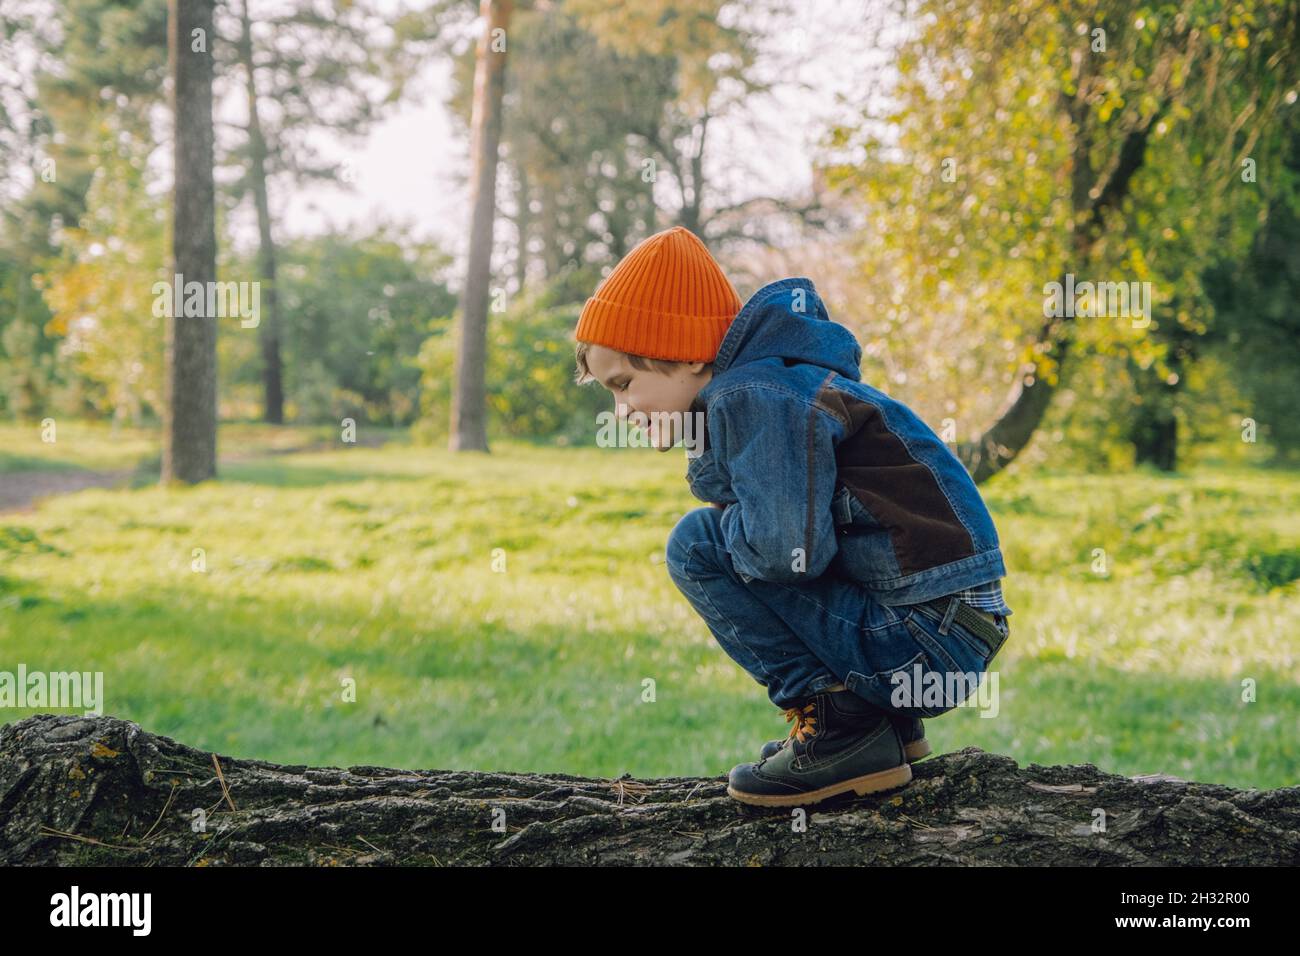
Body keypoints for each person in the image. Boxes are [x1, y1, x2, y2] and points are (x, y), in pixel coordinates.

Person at [572, 225, 1011, 808]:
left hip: (927, 637)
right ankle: (878, 727)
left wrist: (725, 510)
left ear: (682, 351)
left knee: (697, 545)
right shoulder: (773, 385)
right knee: (722, 535)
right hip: (946, 632)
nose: (621, 408)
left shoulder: (753, 396)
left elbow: (785, 552)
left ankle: (842, 731)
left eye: (625, 385)